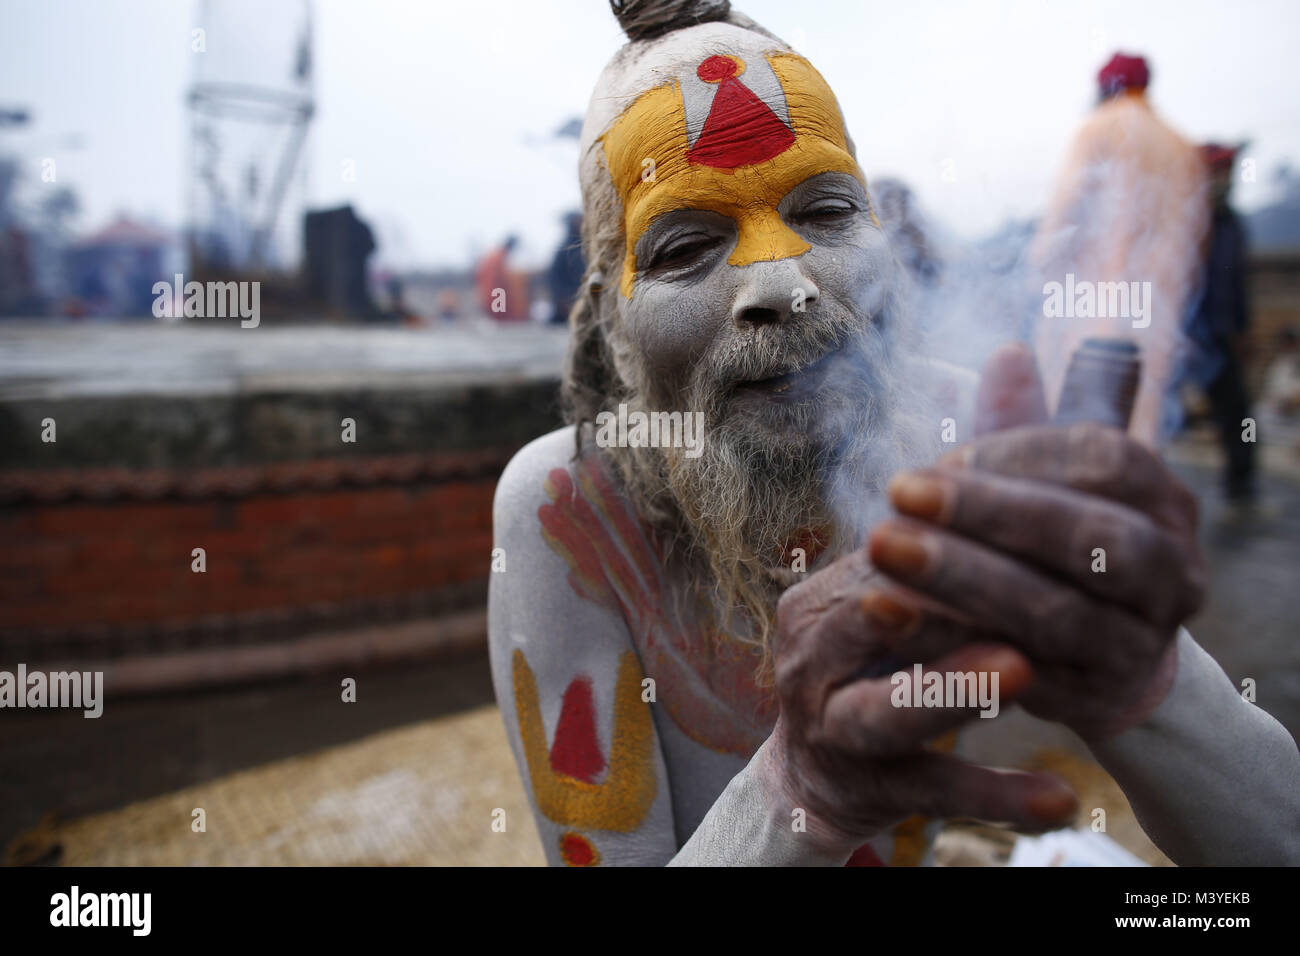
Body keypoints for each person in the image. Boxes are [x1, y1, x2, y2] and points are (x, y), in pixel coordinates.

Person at [488, 0, 1300, 866]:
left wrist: (1143, 685)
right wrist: (800, 795)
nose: (782, 282)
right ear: (614, 321)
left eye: (826, 210)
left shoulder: (950, 435)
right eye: (686, 246)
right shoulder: (570, 512)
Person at [1030, 52, 1209, 446]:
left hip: (1090, 302)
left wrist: (1039, 268)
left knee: (1075, 415)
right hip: (1158, 307)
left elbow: (1065, 214)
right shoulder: (1182, 146)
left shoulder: (1098, 128)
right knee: (1141, 417)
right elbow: (1196, 241)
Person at [1184, 143, 1257, 503]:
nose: (1222, 180)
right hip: (1187, 337)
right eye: (1216, 173)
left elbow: (1237, 285)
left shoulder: (1233, 226)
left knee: (1240, 415)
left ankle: (1241, 487)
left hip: (1223, 335)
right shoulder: (1187, 223)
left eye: (1227, 173)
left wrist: (1242, 330)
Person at [475, 234, 529, 320]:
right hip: (494, 298)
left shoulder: (494, 256)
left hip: (490, 297)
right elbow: (497, 283)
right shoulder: (498, 258)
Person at [548, 212, 585, 325]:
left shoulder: (583, 247)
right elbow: (554, 277)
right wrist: (561, 299)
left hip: (580, 299)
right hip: (566, 303)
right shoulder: (564, 250)